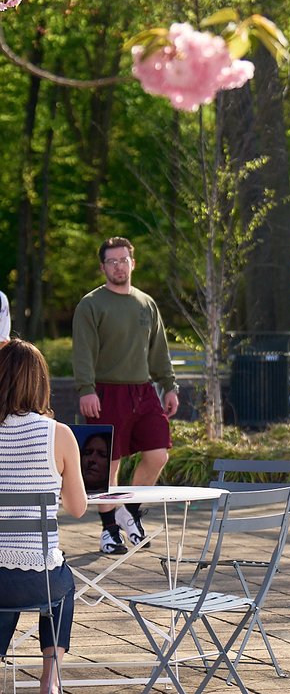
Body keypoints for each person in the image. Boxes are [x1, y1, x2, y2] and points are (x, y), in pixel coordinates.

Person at [72, 237, 178, 555]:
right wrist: (86, 389)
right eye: (112, 261)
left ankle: (129, 511)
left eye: (123, 260)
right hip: (105, 392)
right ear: (103, 266)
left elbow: (159, 350)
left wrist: (169, 385)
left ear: (133, 262)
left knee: (158, 454)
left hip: (143, 391)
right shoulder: (91, 304)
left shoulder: (146, 303)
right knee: (108, 466)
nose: (119, 266)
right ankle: (109, 532)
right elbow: (83, 352)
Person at [0, 339, 88, 694]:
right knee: (61, 585)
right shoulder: (59, 434)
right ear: (40, 383)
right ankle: (50, 683)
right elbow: (77, 507)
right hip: (41, 582)